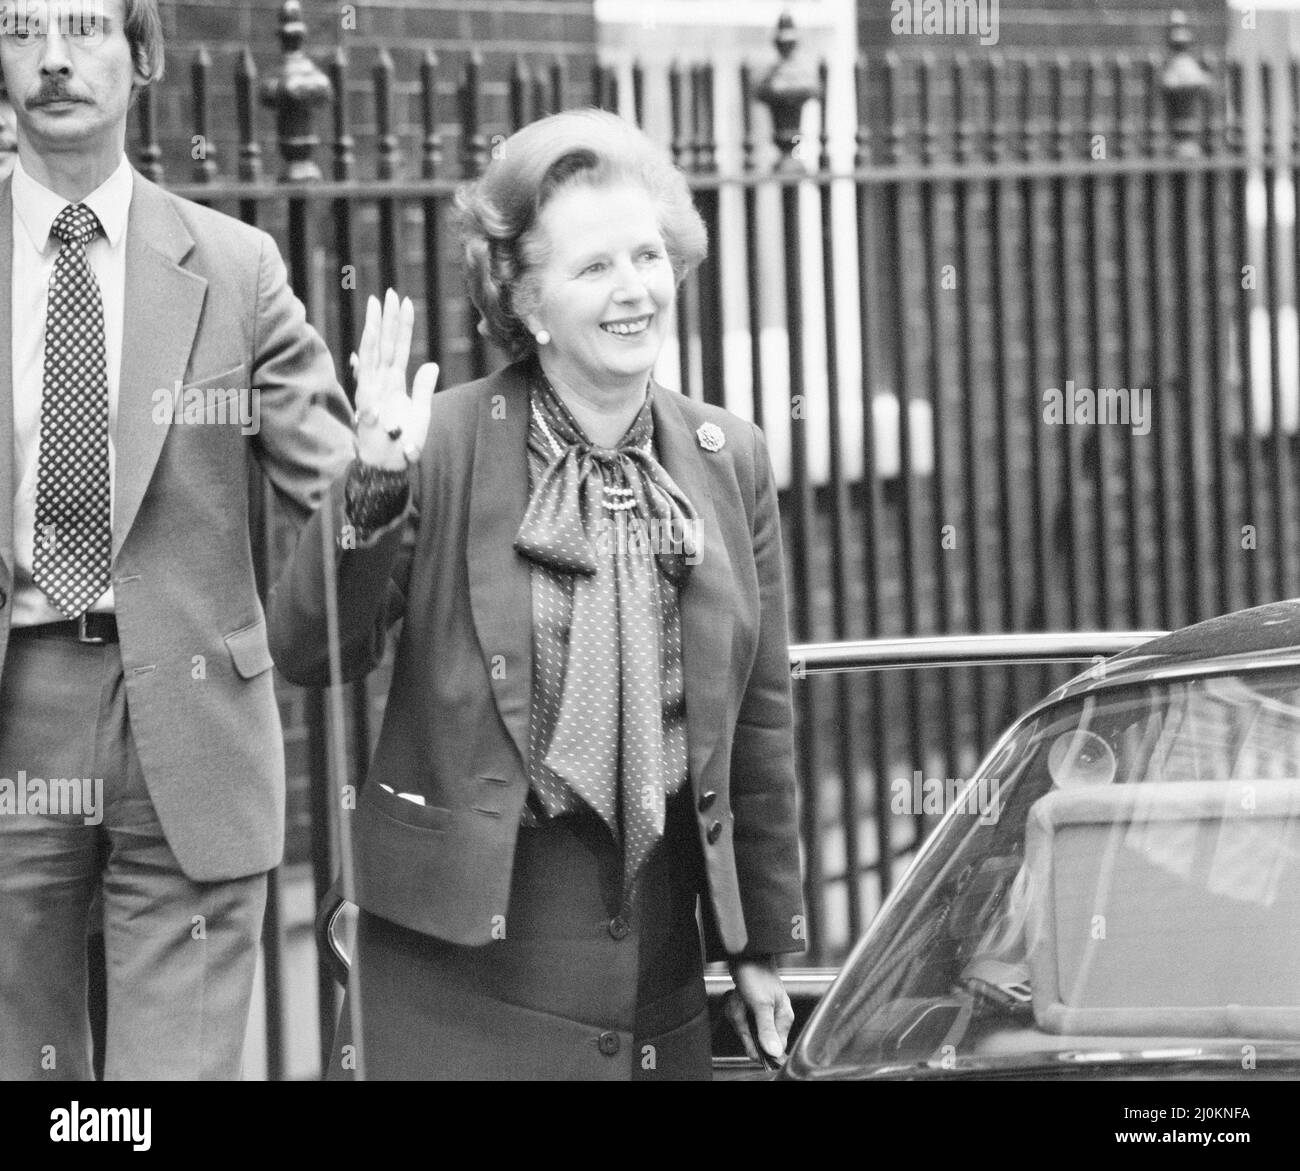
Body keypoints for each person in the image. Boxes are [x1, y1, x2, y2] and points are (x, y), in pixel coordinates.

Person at [268, 109, 807, 1080]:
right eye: (593, 267)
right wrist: (375, 482)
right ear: (523, 299)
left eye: (647, 255)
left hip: (659, 961)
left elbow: (759, 718)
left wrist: (762, 942)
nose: (633, 288)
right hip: (461, 966)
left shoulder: (732, 458)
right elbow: (313, 648)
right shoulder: (445, 442)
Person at [0, 0, 354, 1079]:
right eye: (20, 30)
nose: (53, 58)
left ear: (142, 53)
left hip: (190, 724)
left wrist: (380, 470)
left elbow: (331, 493)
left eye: (85, 28)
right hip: (20, 705)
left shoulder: (237, 268)